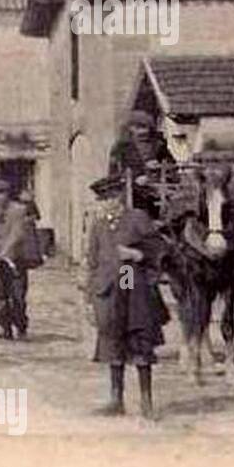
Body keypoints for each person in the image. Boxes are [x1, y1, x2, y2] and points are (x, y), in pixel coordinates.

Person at [83, 173, 169, 418]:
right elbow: (92, 262)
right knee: (112, 343)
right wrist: (89, 298)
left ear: (120, 196)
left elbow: (159, 247)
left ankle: (146, 402)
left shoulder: (137, 219)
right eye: (103, 199)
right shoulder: (98, 226)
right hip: (107, 292)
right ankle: (116, 400)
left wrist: (136, 255)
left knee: (139, 341)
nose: (108, 203)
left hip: (132, 287)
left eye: (111, 197)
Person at [0, 179, 37, 340]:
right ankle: (5, 327)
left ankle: (20, 326)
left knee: (18, 295)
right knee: (1, 295)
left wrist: (5, 252)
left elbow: (17, 234)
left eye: (0, 193)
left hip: (16, 259)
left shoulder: (18, 210)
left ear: (7, 195)